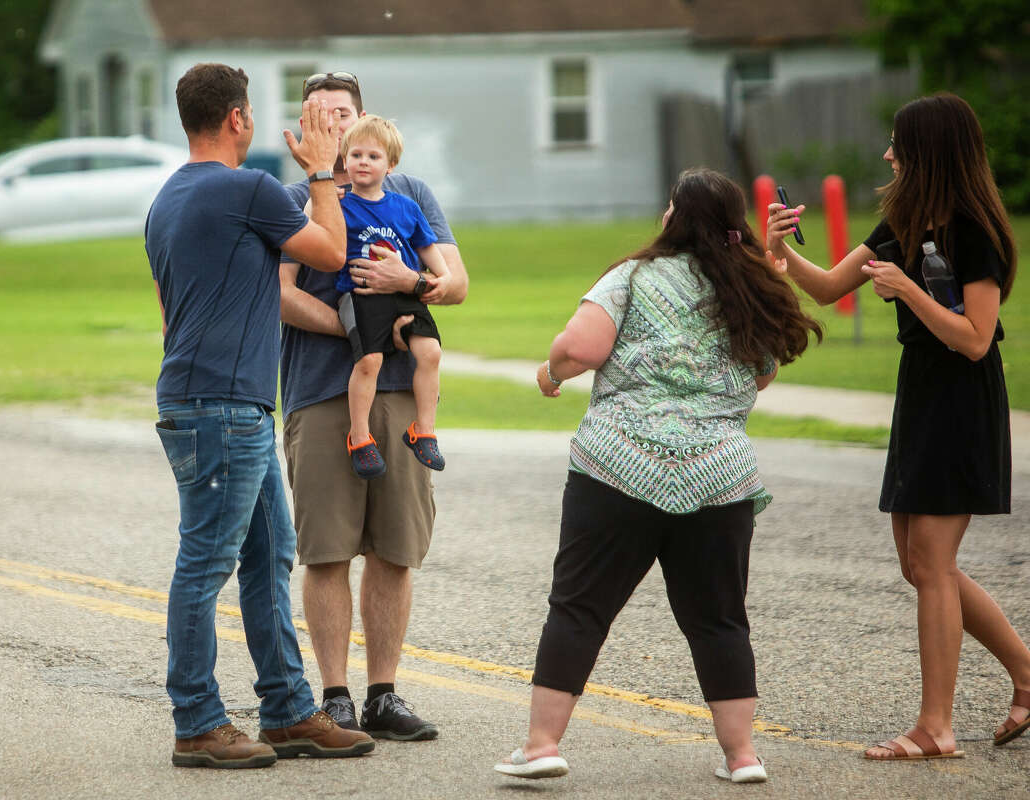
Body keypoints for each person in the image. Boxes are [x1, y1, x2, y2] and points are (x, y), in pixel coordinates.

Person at [495, 168, 822, 782]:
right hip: (718, 478)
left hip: (618, 468)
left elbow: (583, 348)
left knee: (579, 608)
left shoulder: (633, 277)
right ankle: (742, 756)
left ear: (672, 217)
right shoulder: (748, 285)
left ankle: (541, 747)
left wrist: (551, 373)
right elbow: (764, 371)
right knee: (719, 617)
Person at [766, 92, 1028, 760]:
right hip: (920, 396)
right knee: (920, 565)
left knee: (933, 564)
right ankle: (1028, 674)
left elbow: (976, 339)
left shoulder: (975, 232)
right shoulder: (903, 220)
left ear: (929, 152)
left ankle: (935, 728)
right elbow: (827, 288)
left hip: (962, 401)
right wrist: (779, 251)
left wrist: (908, 290)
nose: (887, 154)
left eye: (898, 144)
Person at [145, 62, 374, 769]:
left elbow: (167, 312)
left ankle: (287, 711)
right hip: (222, 406)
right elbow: (331, 251)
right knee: (207, 562)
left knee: (267, 556)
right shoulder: (245, 190)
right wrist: (324, 171)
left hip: (210, 399)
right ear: (238, 119)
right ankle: (197, 722)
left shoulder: (165, 202)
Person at [279, 71, 468, 740]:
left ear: (366, 126)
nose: (335, 128)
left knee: (395, 549)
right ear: (306, 127)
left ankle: (383, 694)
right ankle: (334, 697)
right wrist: (358, 325)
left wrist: (405, 283)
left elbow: (455, 282)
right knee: (327, 551)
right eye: (322, 116)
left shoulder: (410, 191)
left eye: (345, 117)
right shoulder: (292, 198)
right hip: (322, 393)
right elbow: (280, 293)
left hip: (400, 398)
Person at [333, 115, 451, 478]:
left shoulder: (405, 207)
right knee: (369, 362)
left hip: (402, 292)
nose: (363, 162)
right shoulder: (338, 204)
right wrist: (321, 196)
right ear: (345, 159)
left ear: (391, 164)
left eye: (373, 156)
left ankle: (423, 430)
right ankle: (360, 436)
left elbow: (426, 246)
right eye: (356, 155)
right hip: (361, 293)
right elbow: (314, 229)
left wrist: (442, 276)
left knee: (430, 352)